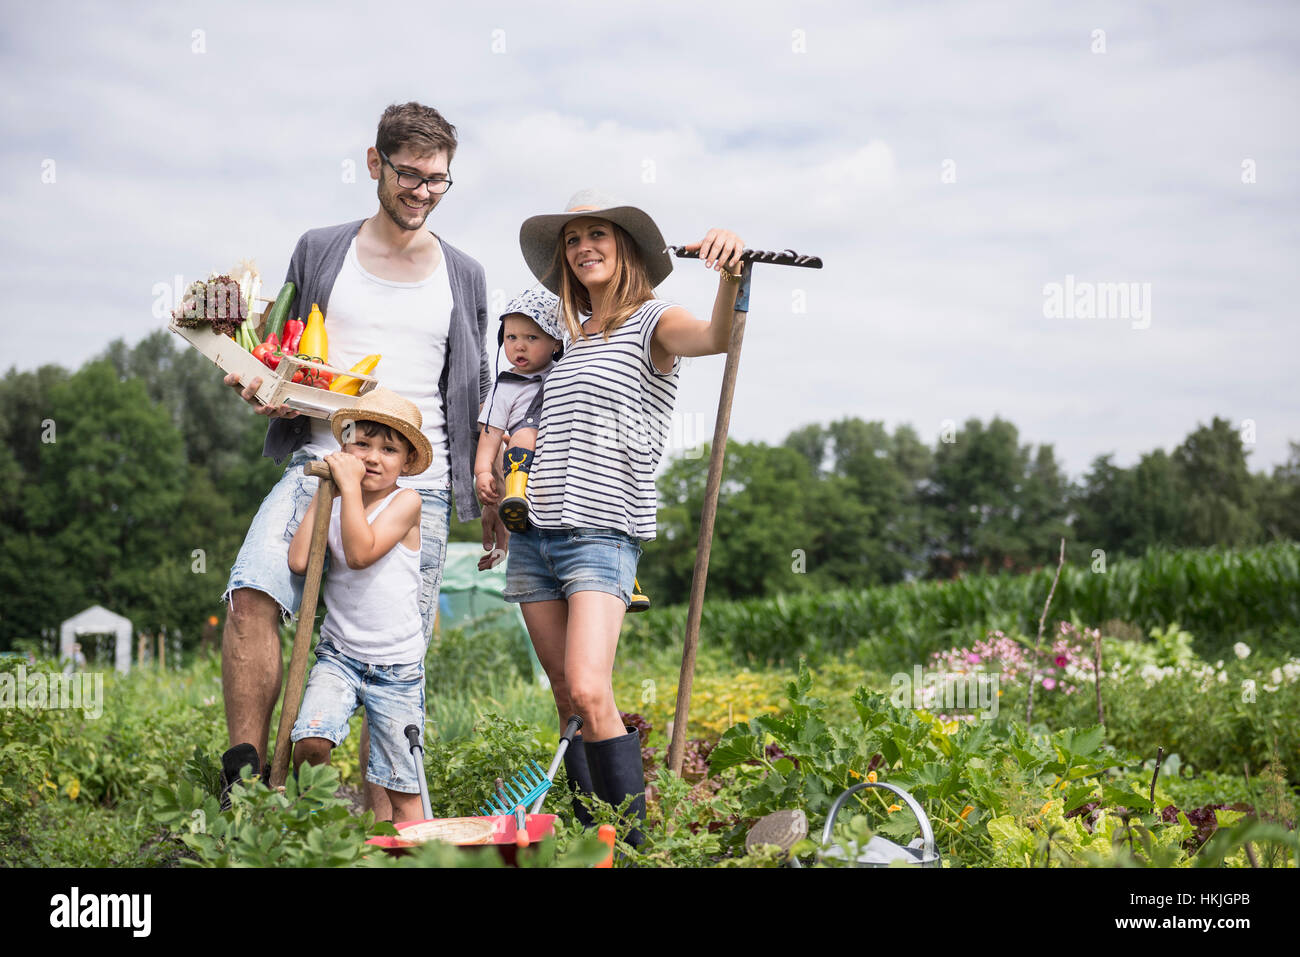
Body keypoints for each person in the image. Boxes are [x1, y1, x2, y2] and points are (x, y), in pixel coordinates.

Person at [218, 102, 507, 814]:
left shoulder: (464, 275)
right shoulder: (321, 249)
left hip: (422, 484)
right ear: (374, 163)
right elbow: (284, 350)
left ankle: (391, 823)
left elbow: (476, 392)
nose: (423, 192)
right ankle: (245, 778)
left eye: (439, 180)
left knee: (392, 653)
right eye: (409, 174)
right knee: (253, 588)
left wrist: (491, 494)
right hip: (322, 460)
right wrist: (263, 385)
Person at [503, 188, 743, 845]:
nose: (582, 247)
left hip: (599, 533)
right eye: (572, 240)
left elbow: (718, 337)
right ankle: (591, 845)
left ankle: (631, 846)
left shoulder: (653, 321)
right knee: (563, 698)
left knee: (589, 687)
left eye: (596, 235)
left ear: (626, 248)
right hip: (535, 538)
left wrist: (730, 275)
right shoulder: (565, 342)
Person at [287, 389, 430, 824]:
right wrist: (325, 492)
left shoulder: (406, 502)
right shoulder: (334, 500)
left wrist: (346, 489)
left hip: (397, 669)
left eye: (389, 449)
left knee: (402, 788)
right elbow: (298, 560)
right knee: (310, 740)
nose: (373, 458)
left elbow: (360, 552)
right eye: (362, 445)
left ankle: (419, 854)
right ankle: (319, 832)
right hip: (340, 657)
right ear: (342, 448)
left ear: (406, 462)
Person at [473, 285, 565, 533]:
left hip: (562, 462)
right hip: (523, 461)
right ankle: (516, 499)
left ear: (556, 342)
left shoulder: (566, 374)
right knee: (525, 434)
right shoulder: (504, 386)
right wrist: (482, 471)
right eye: (511, 337)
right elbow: (491, 431)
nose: (519, 346)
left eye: (531, 338)